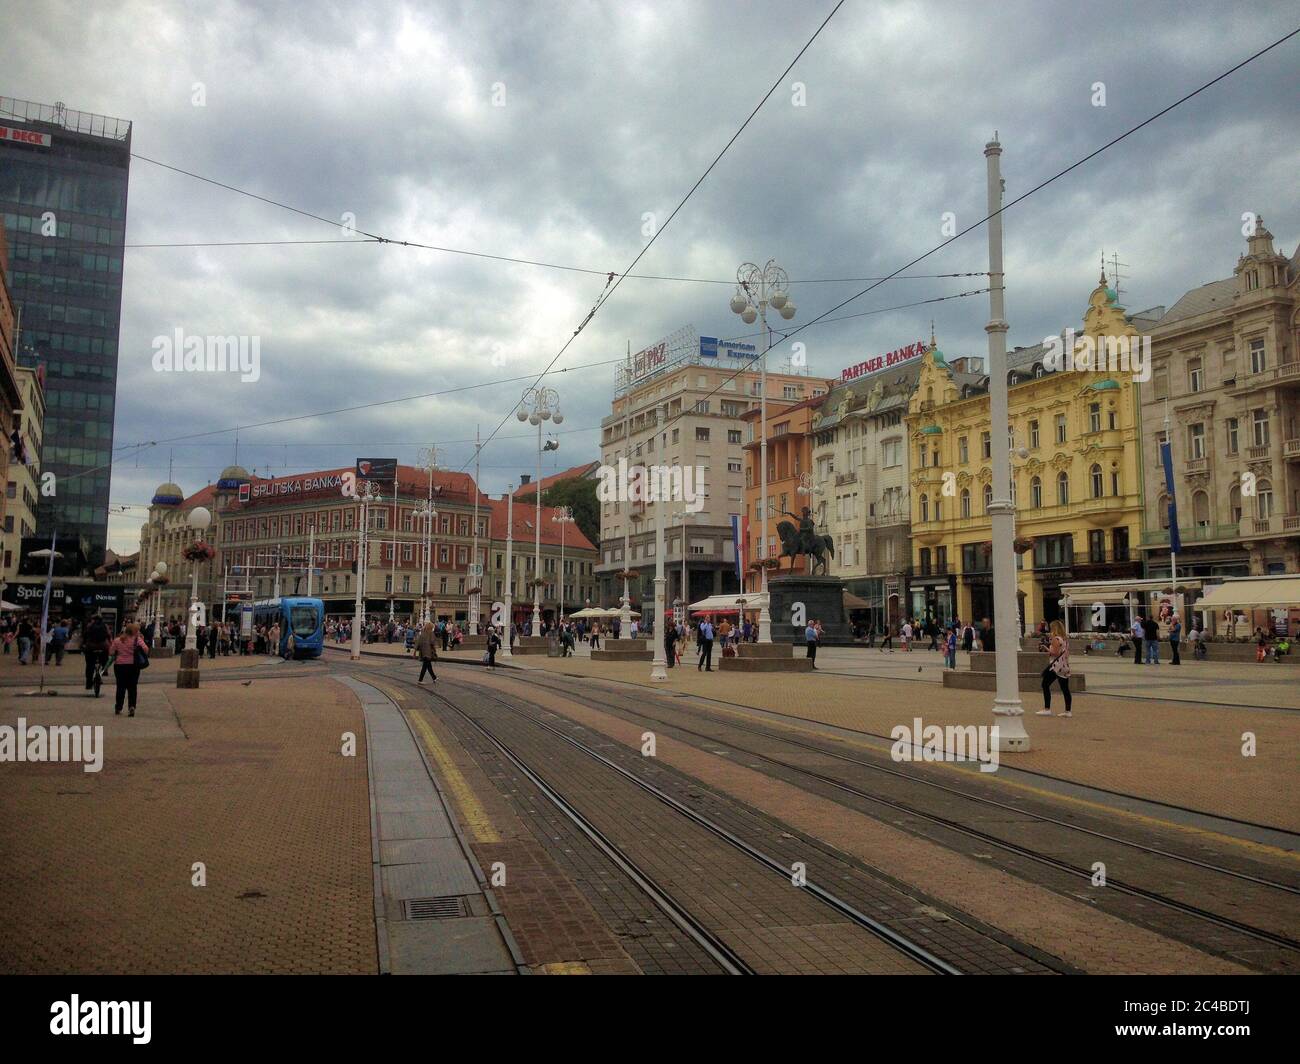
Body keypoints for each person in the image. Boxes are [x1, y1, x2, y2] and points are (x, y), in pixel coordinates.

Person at [109, 622, 149, 717]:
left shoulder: (118, 640)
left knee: (120, 687)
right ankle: (131, 706)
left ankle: (118, 707)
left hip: (120, 666)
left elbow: (111, 652)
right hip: (133, 666)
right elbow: (146, 650)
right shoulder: (137, 640)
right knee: (132, 687)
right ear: (135, 631)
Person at [1038, 619, 1072, 717]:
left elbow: (1055, 653)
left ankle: (1047, 708)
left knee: (1045, 684)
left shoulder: (1055, 639)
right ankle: (1068, 711)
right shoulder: (1064, 639)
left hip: (1056, 666)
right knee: (1065, 689)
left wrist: (1046, 649)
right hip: (1064, 666)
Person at [82, 613, 111, 698]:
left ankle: (88, 683)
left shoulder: (89, 626)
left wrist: (83, 643)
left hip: (91, 646)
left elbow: (85, 635)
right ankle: (104, 670)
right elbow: (108, 635)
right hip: (103, 646)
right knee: (105, 657)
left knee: (89, 664)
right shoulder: (105, 626)